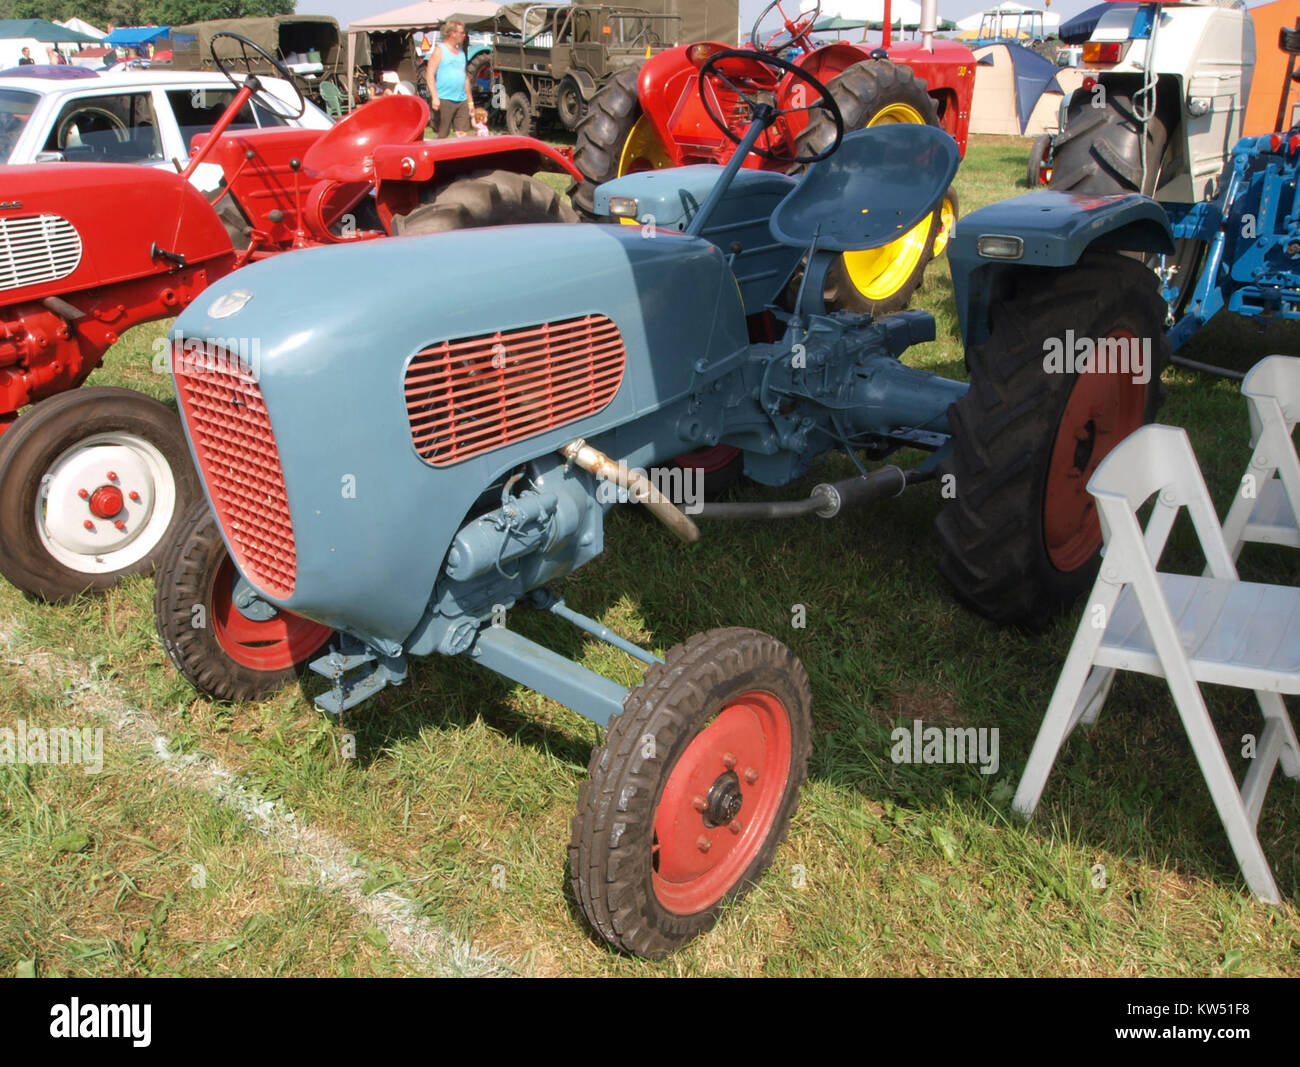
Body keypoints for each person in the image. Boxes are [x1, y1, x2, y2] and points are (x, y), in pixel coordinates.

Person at [426, 19, 472, 138]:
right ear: (452, 33)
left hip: (461, 100)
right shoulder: (440, 50)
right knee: (442, 135)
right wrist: (435, 97)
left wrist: (470, 101)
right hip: (444, 98)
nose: (464, 35)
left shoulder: (461, 53)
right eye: (461, 32)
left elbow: (465, 78)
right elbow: (429, 74)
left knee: (462, 135)